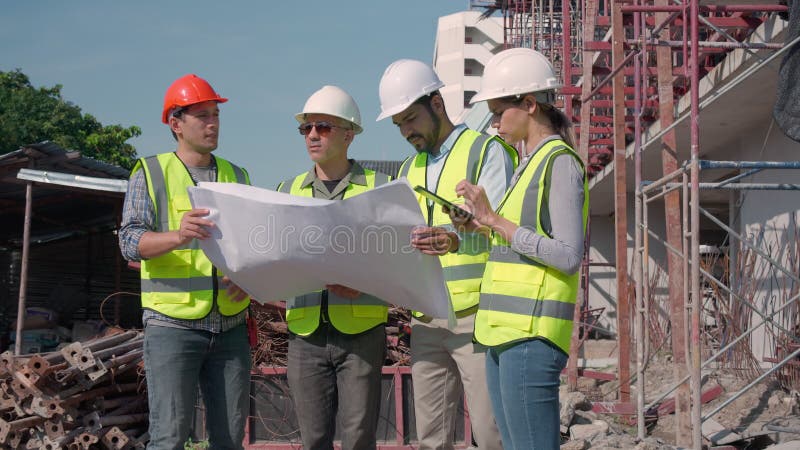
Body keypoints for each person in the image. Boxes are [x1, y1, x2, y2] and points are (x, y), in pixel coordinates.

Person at [452, 48, 589, 450]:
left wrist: (495, 220)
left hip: (532, 336)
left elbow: (566, 254)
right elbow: (517, 242)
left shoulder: (559, 162)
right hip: (502, 334)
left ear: (529, 105)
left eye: (498, 112)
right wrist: (480, 223)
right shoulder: (526, 164)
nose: (493, 124)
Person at [376, 59, 516, 450]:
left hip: (478, 318)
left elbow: (505, 232)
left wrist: (455, 238)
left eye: (410, 119)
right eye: (399, 124)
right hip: (427, 320)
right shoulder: (409, 167)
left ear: (437, 103)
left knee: (491, 436)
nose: (406, 131)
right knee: (431, 440)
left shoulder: (485, 152)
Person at [119, 74, 251, 450]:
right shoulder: (150, 173)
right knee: (169, 437)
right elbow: (129, 242)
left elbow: (251, 246)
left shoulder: (237, 176)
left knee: (229, 441)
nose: (213, 123)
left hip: (230, 325)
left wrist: (249, 279)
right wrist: (178, 236)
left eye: (216, 115)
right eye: (203, 116)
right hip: (172, 326)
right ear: (176, 124)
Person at [277, 85, 391, 450]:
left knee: (359, 438)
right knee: (313, 439)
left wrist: (364, 282)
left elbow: (398, 262)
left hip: (361, 331)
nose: (312, 135)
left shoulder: (381, 189)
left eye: (323, 127)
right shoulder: (287, 191)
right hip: (306, 335)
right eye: (306, 128)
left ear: (349, 133)